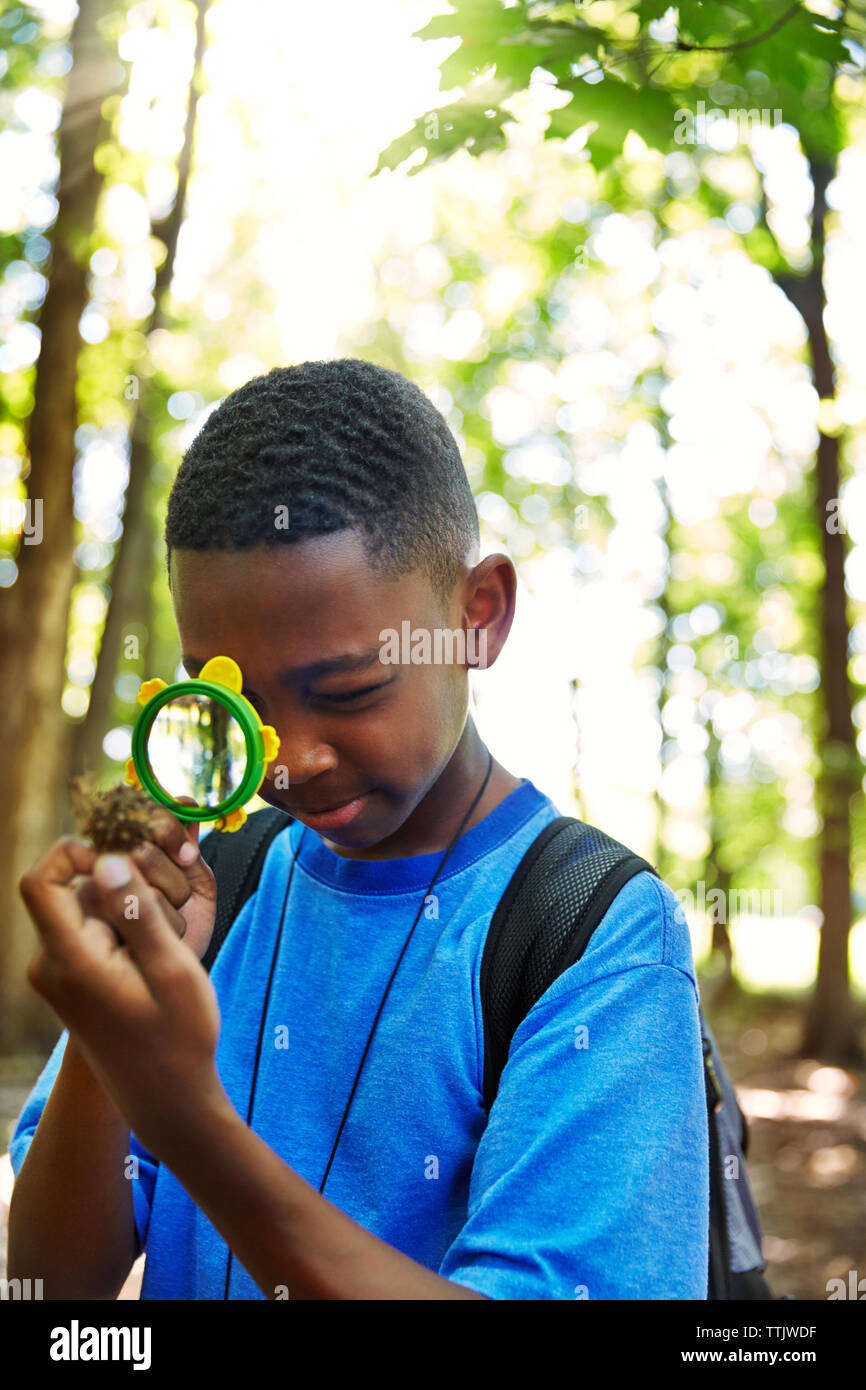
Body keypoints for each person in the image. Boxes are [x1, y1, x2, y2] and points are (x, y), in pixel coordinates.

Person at [8, 358, 708, 1300]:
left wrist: (190, 1121)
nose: (290, 759)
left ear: (478, 617)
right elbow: (52, 1286)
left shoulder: (590, 936)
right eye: (237, 707)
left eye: (349, 690)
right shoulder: (215, 891)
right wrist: (107, 1043)